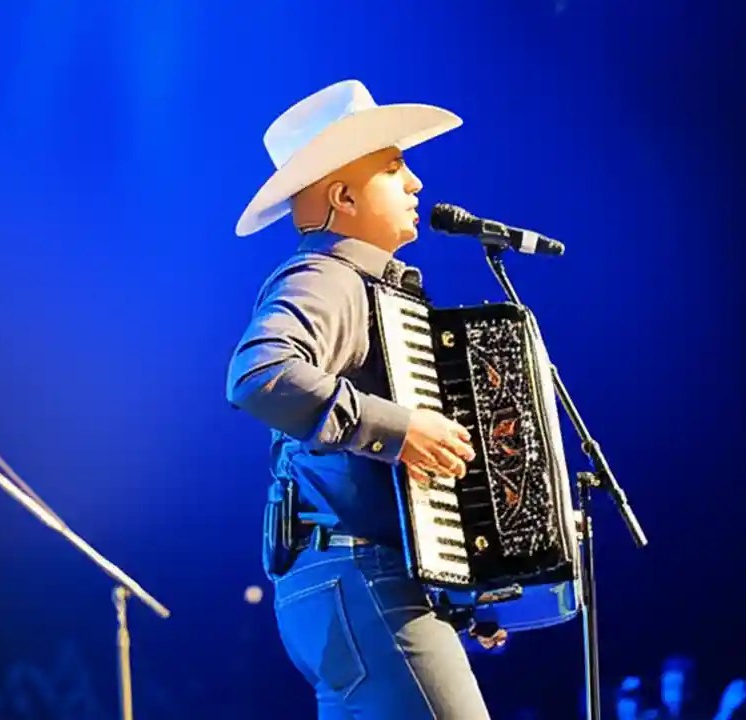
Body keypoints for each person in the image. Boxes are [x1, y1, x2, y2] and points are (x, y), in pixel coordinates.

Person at [226, 79, 491, 718]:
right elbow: (258, 373)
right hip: (359, 576)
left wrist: (458, 587)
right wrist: (397, 430)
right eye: (395, 166)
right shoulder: (326, 275)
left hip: (350, 578)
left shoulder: (360, 284)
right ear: (342, 196)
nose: (416, 184)